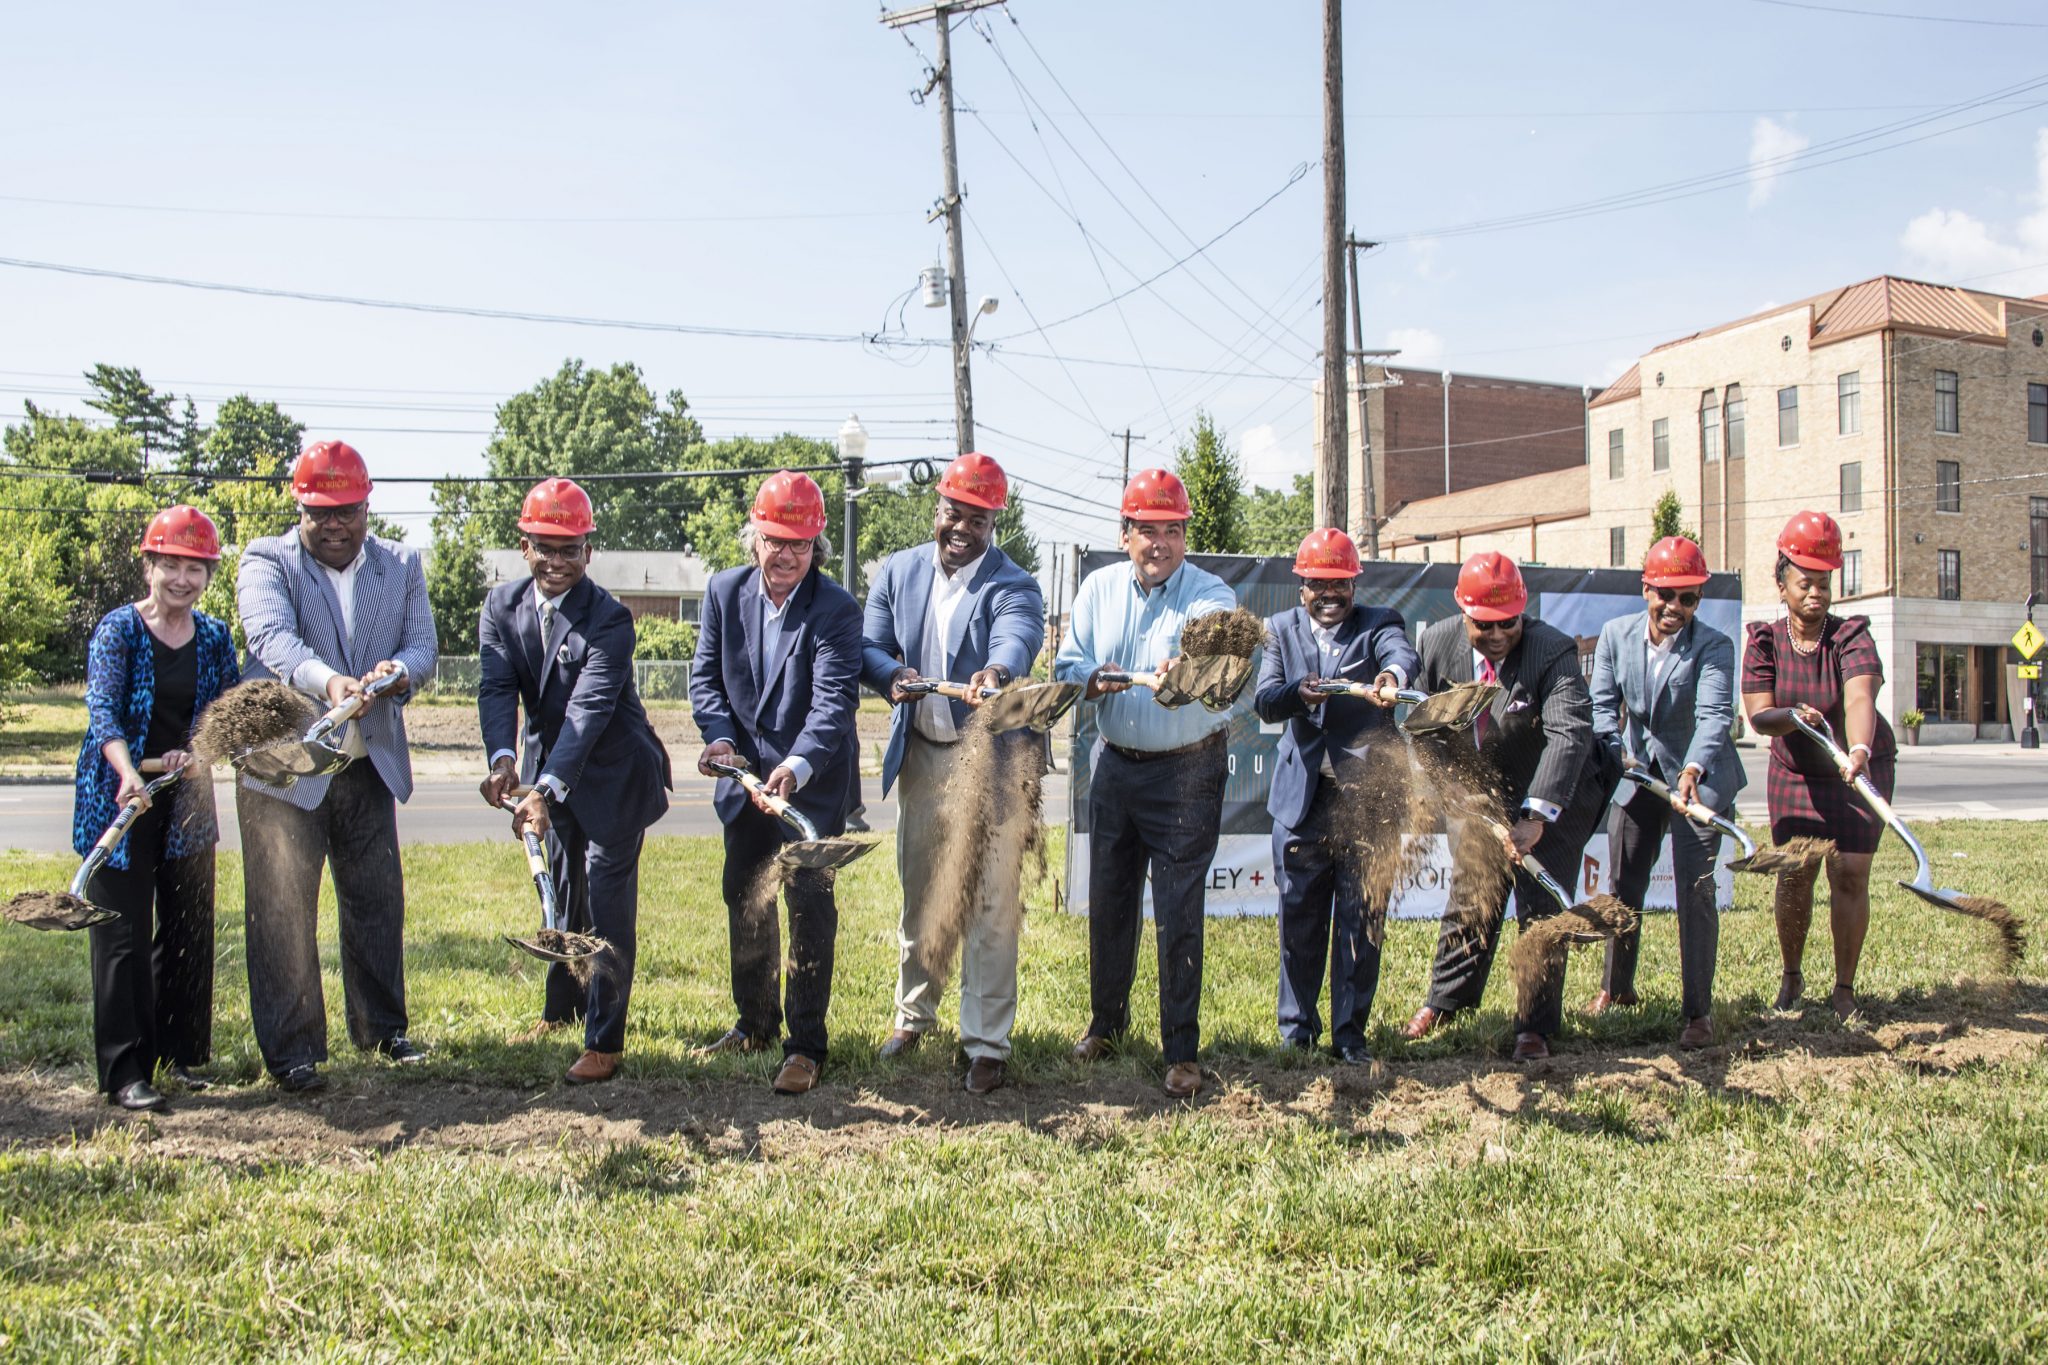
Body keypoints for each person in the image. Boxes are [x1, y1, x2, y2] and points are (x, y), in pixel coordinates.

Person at [235, 439, 437, 1093]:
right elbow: (273, 638)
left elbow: (423, 645)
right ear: (299, 508)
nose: (333, 525)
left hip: (366, 763)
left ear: (366, 507)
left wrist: (398, 672)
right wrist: (329, 683)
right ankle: (293, 1050)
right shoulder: (266, 560)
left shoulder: (400, 564)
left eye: (345, 511)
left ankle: (383, 1029)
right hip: (285, 767)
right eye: (318, 512)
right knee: (283, 909)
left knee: (377, 902)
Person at [861, 452, 1045, 1095]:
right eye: (953, 513)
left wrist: (995, 672)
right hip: (923, 753)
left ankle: (986, 1043)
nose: (961, 528)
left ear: (994, 524)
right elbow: (869, 645)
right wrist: (892, 675)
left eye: (978, 519)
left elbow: (1017, 637)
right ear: (936, 510)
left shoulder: (1014, 583)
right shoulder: (898, 570)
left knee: (990, 902)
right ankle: (914, 1015)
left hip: (993, 762)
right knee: (922, 890)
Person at [478, 478, 672, 1085]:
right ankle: (560, 1009)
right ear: (525, 547)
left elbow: (587, 711)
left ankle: (604, 1041)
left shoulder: (609, 618)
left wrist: (544, 788)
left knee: (607, 907)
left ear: (589, 551)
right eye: (545, 548)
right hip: (548, 773)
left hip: (614, 776)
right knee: (564, 897)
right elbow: (496, 688)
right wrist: (502, 761)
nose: (557, 562)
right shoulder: (500, 607)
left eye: (570, 550)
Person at [1053, 468, 1238, 1099]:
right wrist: (1090, 675)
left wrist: (1188, 666)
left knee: (1179, 910)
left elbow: (1215, 646)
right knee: (1110, 901)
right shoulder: (1098, 588)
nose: (1160, 543)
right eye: (1147, 530)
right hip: (1115, 764)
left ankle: (1181, 1051)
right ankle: (1106, 1025)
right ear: (1125, 533)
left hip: (1187, 768)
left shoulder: (1209, 593)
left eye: (1172, 531)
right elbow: (1067, 662)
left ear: (1184, 535)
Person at [1399, 551, 1618, 1062]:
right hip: (1482, 792)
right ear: (1463, 613)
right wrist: (1453, 789)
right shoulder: (1436, 644)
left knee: (1540, 912)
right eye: (1485, 625)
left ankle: (1534, 1027)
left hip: (1555, 792)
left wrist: (1536, 816)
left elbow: (1570, 733)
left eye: (1509, 623)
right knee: (1472, 896)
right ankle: (1446, 1002)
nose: (1498, 635)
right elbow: (1424, 731)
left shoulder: (1552, 650)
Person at [688, 470, 862, 1096]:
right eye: (775, 541)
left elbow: (833, 705)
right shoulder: (722, 592)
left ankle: (805, 1045)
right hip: (743, 783)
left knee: (809, 908)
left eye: (801, 544)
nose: (786, 555)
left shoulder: (836, 609)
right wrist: (721, 740)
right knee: (745, 896)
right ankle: (755, 1023)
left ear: (817, 545)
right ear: (754, 538)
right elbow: (705, 679)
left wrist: (795, 767)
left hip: (810, 786)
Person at [71, 507, 241, 1112]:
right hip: (121, 796)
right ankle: (126, 1071)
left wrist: (202, 754)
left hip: (185, 797)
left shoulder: (214, 636)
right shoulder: (118, 630)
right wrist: (129, 772)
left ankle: (177, 1055)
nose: (182, 580)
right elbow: (103, 713)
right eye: (170, 565)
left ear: (208, 576)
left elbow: (225, 711)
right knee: (122, 935)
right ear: (149, 567)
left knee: (187, 929)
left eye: (195, 569)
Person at [1254, 528, 1419, 1065]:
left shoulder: (1379, 623)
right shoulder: (1279, 629)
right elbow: (1265, 700)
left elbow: (1400, 655)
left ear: (1354, 586)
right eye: (1318, 584)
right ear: (1301, 587)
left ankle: (1350, 1037)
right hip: (1302, 802)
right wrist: (1298, 695)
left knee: (1360, 921)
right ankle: (1296, 1034)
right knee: (1298, 919)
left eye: (1339, 584)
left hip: (1368, 801)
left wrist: (1391, 675)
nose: (1329, 595)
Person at [1588, 535, 1744, 1050]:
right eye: (1665, 595)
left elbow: (1714, 715)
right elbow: (1602, 706)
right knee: (1624, 882)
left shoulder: (1714, 646)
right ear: (1646, 590)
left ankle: (1698, 1013)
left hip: (1699, 780)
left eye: (1688, 597)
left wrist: (1693, 768)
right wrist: (1614, 749)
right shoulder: (1615, 636)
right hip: (1639, 775)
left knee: (1695, 893)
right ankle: (1616, 987)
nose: (1675, 607)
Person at [1741, 510, 1896, 1022]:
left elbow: (1859, 697)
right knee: (1795, 876)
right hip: (1796, 772)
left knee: (1849, 875)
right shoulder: (1765, 640)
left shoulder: (1850, 636)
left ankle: (1844, 988)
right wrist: (1792, 717)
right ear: (1781, 583)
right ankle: (1791, 977)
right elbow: (1760, 716)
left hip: (1855, 769)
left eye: (1824, 584)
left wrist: (1859, 750)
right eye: (1804, 583)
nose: (1816, 594)